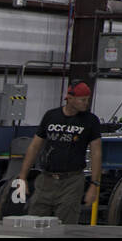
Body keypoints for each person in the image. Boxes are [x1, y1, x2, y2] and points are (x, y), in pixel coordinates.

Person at [15, 81, 102, 224]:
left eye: (88, 100)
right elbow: (34, 147)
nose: (86, 103)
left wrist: (94, 184)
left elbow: (96, 153)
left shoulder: (91, 121)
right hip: (46, 180)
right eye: (82, 100)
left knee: (65, 225)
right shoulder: (51, 116)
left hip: (72, 181)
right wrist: (22, 177)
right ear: (70, 98)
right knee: (34, 222)